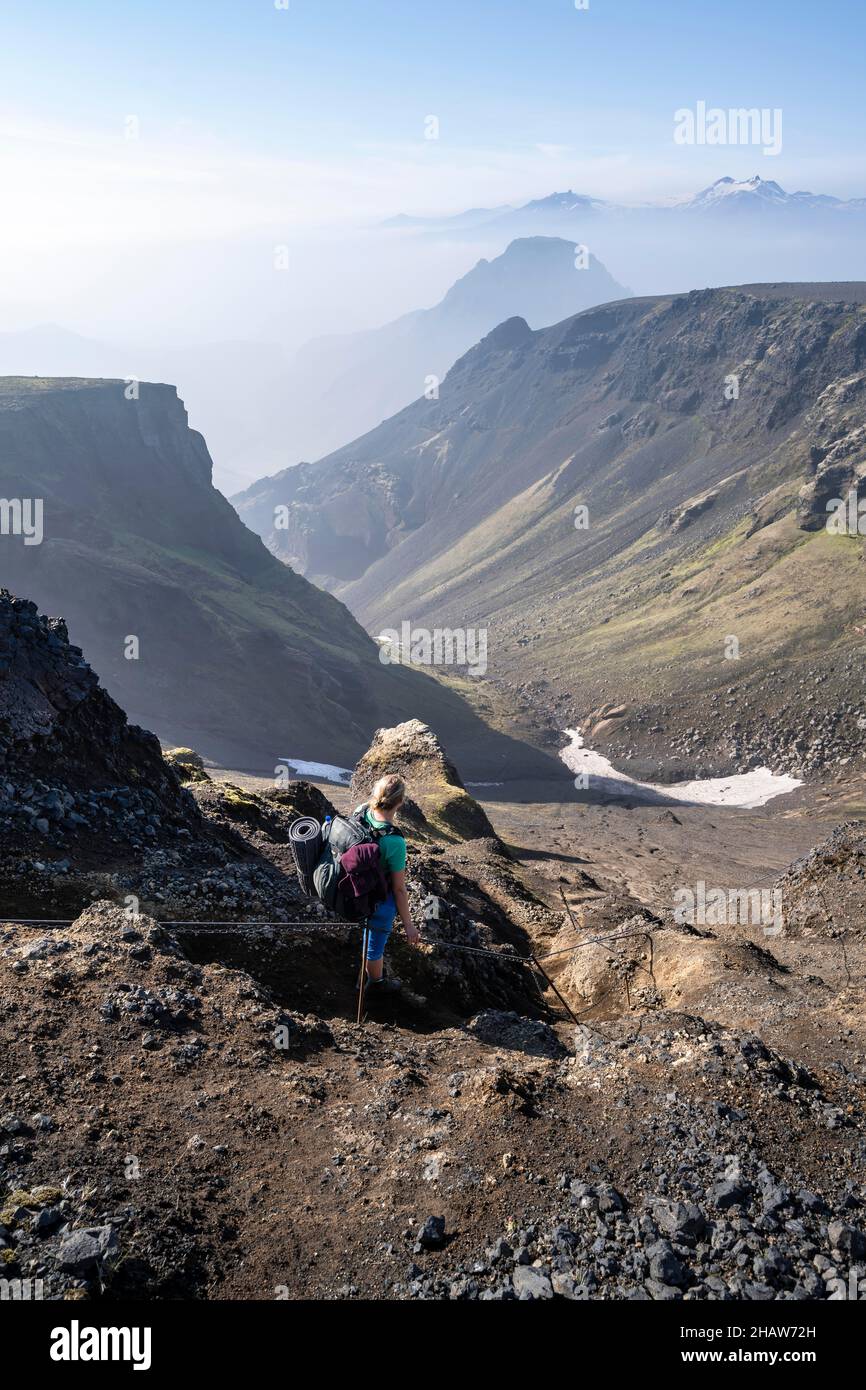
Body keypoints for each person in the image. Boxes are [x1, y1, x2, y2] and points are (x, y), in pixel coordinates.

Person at [356, 774, 420, 995]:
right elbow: (399, 889)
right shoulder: (394, 841)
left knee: (368, 936)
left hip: (355, 890)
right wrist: (409, 925)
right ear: (400, 802)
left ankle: (366, 975)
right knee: (374, 947)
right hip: (377, 898)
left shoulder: (362, 812)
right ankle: (376, 984)